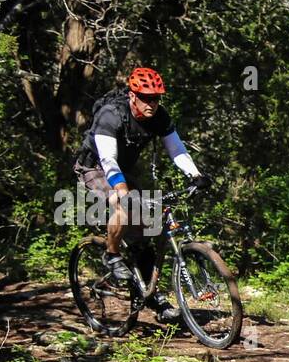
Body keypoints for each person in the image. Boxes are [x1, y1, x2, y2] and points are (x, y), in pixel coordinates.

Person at [74, 67, 208, 322]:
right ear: (133, 95)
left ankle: (149, 295)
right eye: (146, 97)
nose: (152, 103)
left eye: (156, 97)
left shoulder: (159, 116)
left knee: (149, 228)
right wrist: (122, 190)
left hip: (121, 169)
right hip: (94, 166)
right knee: (121, 204)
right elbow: (108, 159)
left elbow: (177, 150)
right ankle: (111, 255)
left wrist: (195, 175)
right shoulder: (111, 115)